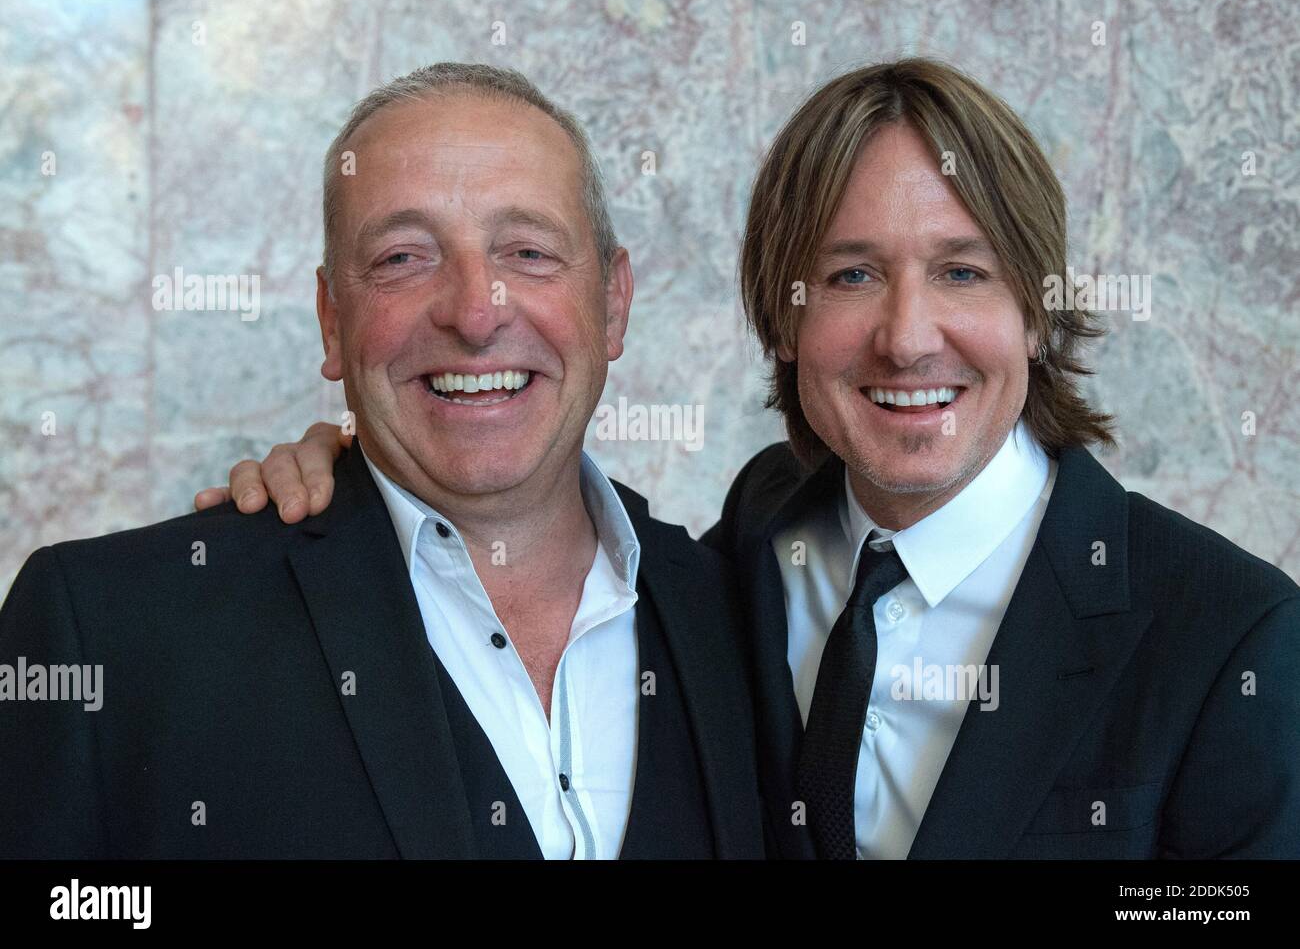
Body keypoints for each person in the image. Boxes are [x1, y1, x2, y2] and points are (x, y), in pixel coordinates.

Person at [212, 59, 1300, 860]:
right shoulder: (746, 553)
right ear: (782, 318)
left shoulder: (1226, 640)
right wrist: (354, 465)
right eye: (851, 276)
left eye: (963, 272)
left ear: (1037, 311)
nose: (908, 336)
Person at [0, 64, 764, 859]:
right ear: (333, 321)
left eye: (528, 251)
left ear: (613, 302)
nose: (475, 313)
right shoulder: (108, 633)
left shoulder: (747, 621)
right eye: (404, 258)